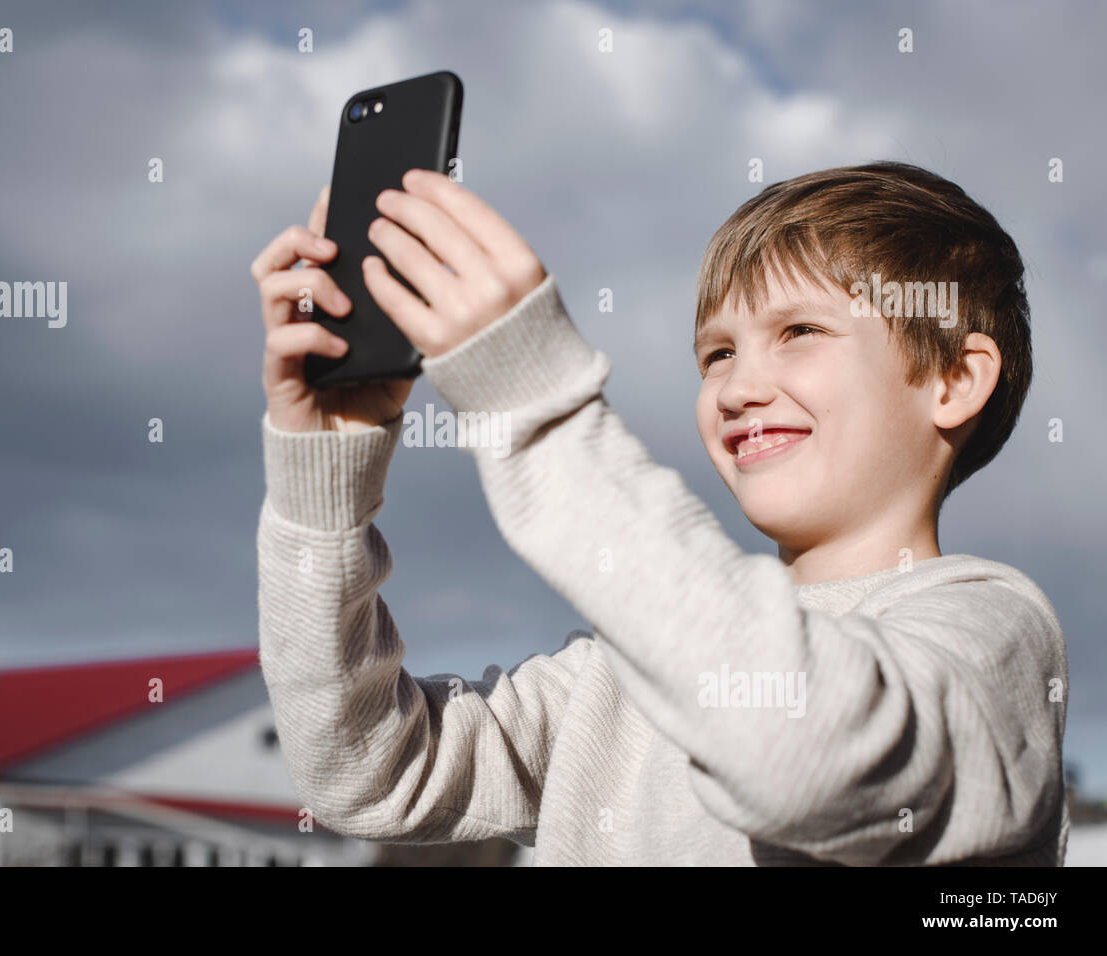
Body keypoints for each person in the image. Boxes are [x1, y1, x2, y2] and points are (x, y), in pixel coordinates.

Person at [249, 162, 1068, 865]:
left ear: (955, 381)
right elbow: (368, 772)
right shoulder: (611, 678)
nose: (738, 387)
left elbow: (801, 748)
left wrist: (532, 399)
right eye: (718, 353)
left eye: (801, 330)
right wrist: (322, 483)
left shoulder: (990, 631)